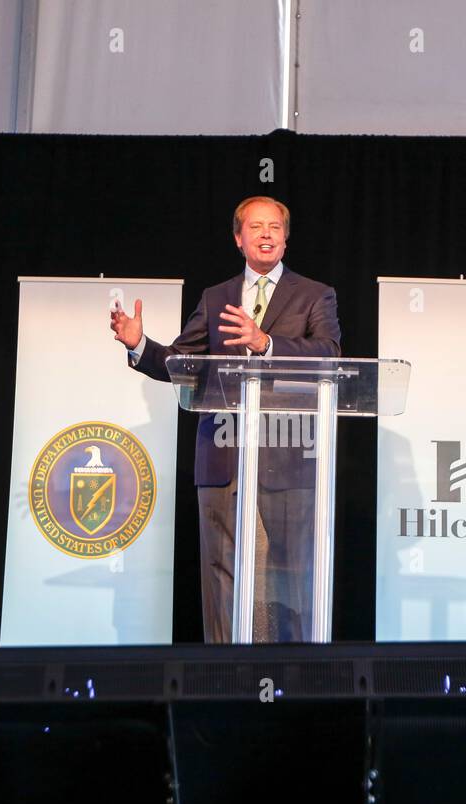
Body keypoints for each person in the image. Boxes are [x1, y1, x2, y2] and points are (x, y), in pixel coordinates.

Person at [109, 196, 341, 643]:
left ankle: (292, 676)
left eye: (275, 227)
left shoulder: (315, 294)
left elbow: (329, 354)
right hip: (222, 453)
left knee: (290, 573)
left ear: (286, 238)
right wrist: (140, 345)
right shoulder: (215, 297)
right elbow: (181, 362)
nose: (267, 235)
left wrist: (266, 342)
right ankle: (223, 673)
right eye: (256, 227)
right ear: (239, 239)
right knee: (221, 573)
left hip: (290, 455)